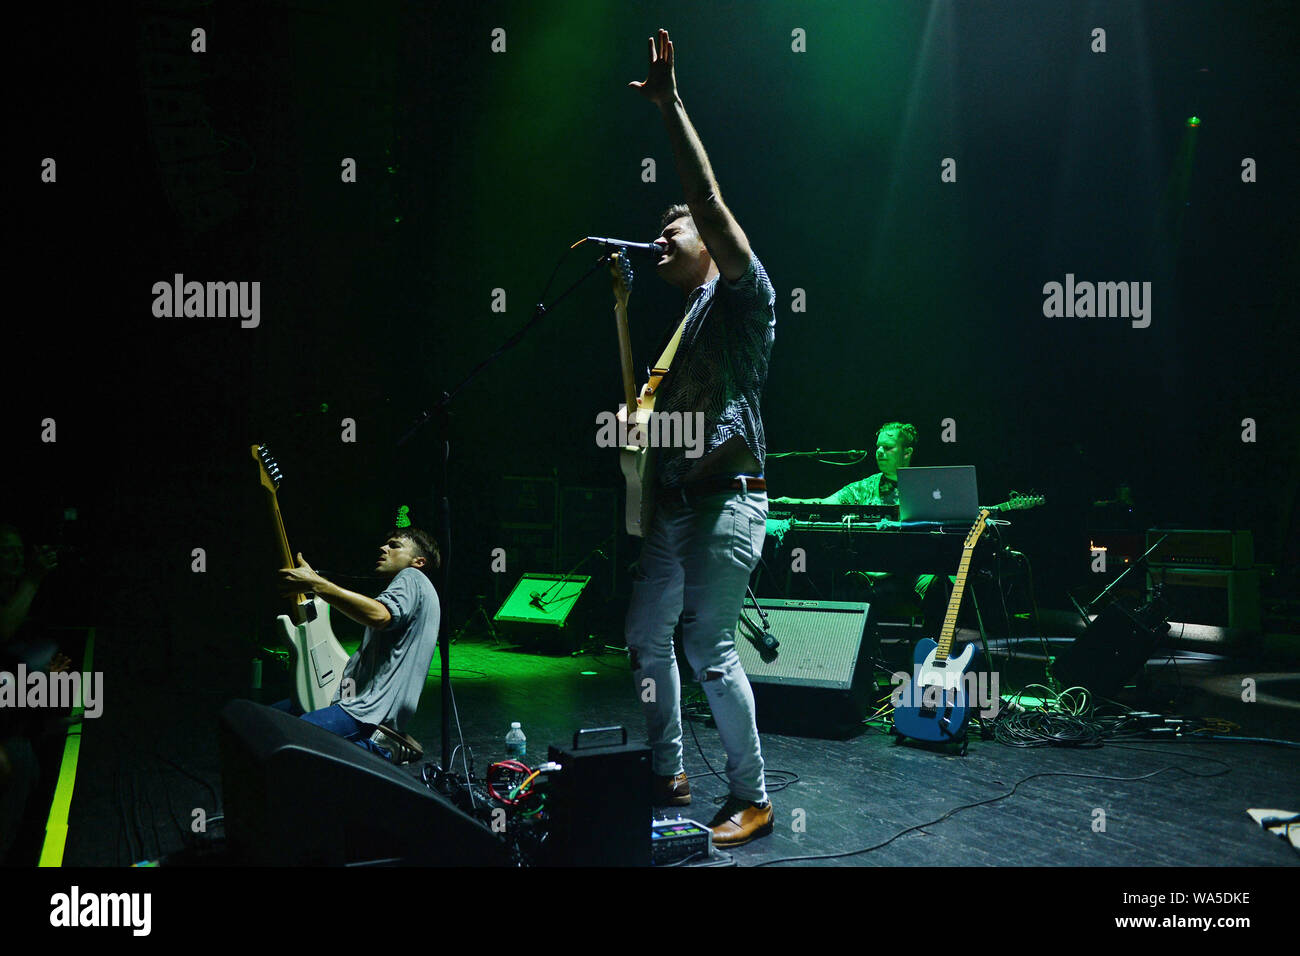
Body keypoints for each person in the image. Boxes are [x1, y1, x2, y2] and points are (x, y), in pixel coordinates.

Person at [623, 29, 776, 848]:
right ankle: (668, 767)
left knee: (710, 645)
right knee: (646, 637)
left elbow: (711, 206)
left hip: (729, 502)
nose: (660, 239)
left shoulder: (745, 295)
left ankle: (752, 795)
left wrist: (671, 104)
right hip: (676, 505)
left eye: (670, 231)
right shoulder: (679, 326)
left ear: (708, 243)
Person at [274, 528, 440, 761]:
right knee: (268, 720)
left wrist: (317, 584)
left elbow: (380, 616)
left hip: (368, 712)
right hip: (356, 702)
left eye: (394, 545)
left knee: (289, 736)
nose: (384, 548)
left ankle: (381, 746)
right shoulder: (415, 589)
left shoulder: (412, 577)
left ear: (418, 561)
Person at [772, 424, 947, 623]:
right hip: (871, 571)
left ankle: (931, 648)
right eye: (878, 447)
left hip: (913, 571)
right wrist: (790, 502)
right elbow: (825, 503)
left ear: (907, 453)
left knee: (941, 584)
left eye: (888, 447)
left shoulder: (928, 488)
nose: (880, 452)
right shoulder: (864, 487)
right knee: (844, 581)